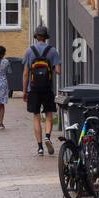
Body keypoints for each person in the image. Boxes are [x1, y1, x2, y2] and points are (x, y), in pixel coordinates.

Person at [22, 26, 61, 155]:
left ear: (36, 36)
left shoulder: (29, 51)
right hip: (47, 88)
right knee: (49, 115)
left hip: (33, 89)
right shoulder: (53, 51)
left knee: (36, 116)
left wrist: (24, 91)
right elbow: (58, 71)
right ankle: (47, 137)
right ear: (46, 37)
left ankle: (39, 147)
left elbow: (26, 73)